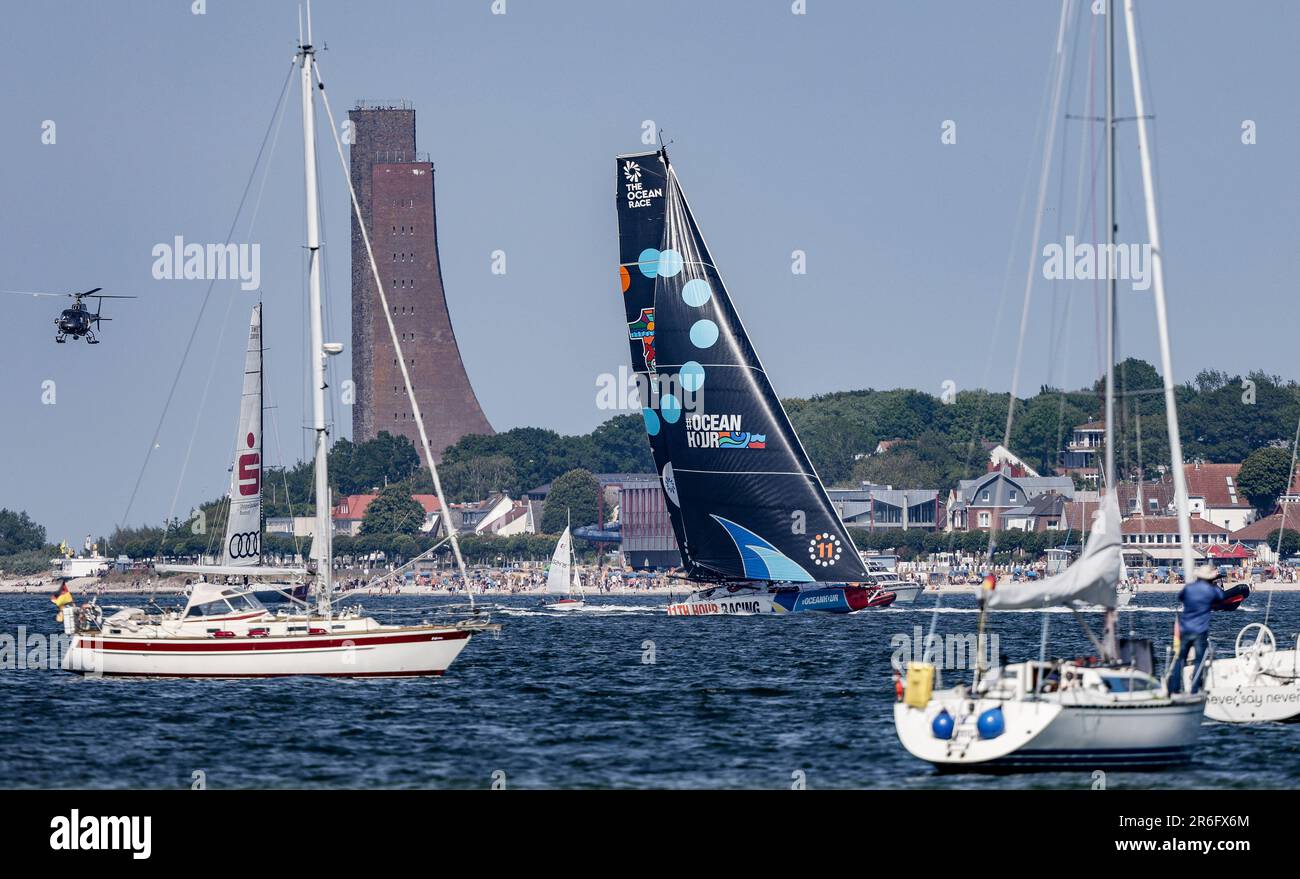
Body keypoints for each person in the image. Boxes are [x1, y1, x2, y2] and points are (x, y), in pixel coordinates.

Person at [1167, 564, 1226, 694]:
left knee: (1180, 659)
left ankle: (1174, 689)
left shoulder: (1189, 588)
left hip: (1184, 628)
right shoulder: (1211, 590)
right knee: (1199, 660)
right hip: (1200, 631)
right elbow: (1221, 598)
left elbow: (1180, 597)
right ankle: (1194, 688)